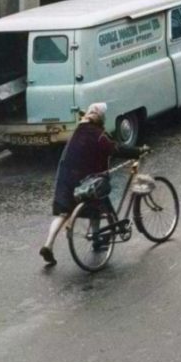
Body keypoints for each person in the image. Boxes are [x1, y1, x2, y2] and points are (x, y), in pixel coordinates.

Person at [39, 103, 134, 266]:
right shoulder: (99, 135)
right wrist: (137, 151)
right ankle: (97, 240)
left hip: (65, 176)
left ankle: (48, 244)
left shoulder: (79, 129)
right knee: (96, 204)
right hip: (86, 179)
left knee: (63, 213)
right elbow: (115, 149)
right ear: (101, 118)